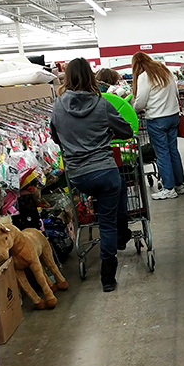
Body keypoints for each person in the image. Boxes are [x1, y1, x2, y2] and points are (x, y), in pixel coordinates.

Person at [50, 57, 133, 293]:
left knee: (110, 198)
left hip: (78, 176)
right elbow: (126, 131)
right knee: (109, 216)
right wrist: (105, 133)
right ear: (90, 76)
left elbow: (56, 137)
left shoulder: (57, 106)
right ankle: (108, 277)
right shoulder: (101, 103)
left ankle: (121, 230)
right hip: (105, 171)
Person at [131, 51, 184, 200]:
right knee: (173, 151)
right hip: (173, 116)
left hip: (157, 119)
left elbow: (141, 101)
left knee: (162, 153)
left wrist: (134, 109)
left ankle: (169, 188)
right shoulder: (165, 71)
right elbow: (176, 92)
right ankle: (179, 185)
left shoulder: (144, 77)